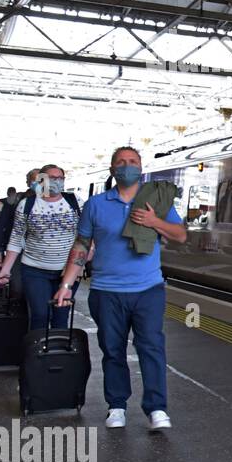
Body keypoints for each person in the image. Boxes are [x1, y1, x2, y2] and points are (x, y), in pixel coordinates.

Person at [54, 147, 186, 431]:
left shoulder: (156, 201)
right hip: (105, 291)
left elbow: (180, 235)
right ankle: (116, 406)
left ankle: (156, 408)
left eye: (133, 162)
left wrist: (154, 222)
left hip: (148, 289)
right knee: (112, 350)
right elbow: (81, 246)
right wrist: (67, 285)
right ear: (112, 169)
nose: (128, 166)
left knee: (151, 347)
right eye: (121, 162)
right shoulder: (96, 204)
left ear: (141, 167)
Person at [0, 164, 80, 328]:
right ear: (41, 180)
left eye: (60, 178)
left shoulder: (75, 202)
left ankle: (57, 353)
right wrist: (5, 269)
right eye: (52, 178)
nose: (57, 181)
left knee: (61, 317)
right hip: (34, 270)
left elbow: (84, 237)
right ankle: (36, 351)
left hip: (67, 270)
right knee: (40, 315)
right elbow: (16, 238)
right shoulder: (27, 204)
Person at [0, 170, 41, 288]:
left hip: (45, 252)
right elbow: (1, 226)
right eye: (36, 180)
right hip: (19, 250)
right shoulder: (13, 201)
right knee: (18, 285)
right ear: (28, 182)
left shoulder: (56, 202)